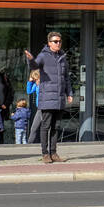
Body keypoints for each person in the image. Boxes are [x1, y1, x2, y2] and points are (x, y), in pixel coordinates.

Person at [24, 31, 73, 164]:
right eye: (55, 41)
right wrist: (30, 59)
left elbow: (66, 78)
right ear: (49, 43)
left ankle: (54, 152)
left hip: (59, 98)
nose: (58, 44)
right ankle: (45, 154)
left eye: (59, 41)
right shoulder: (43, 56)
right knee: (45, 126)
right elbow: (34, 66)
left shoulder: (62, 57)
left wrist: (69, 93)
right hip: (47, 98)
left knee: (55, 127)